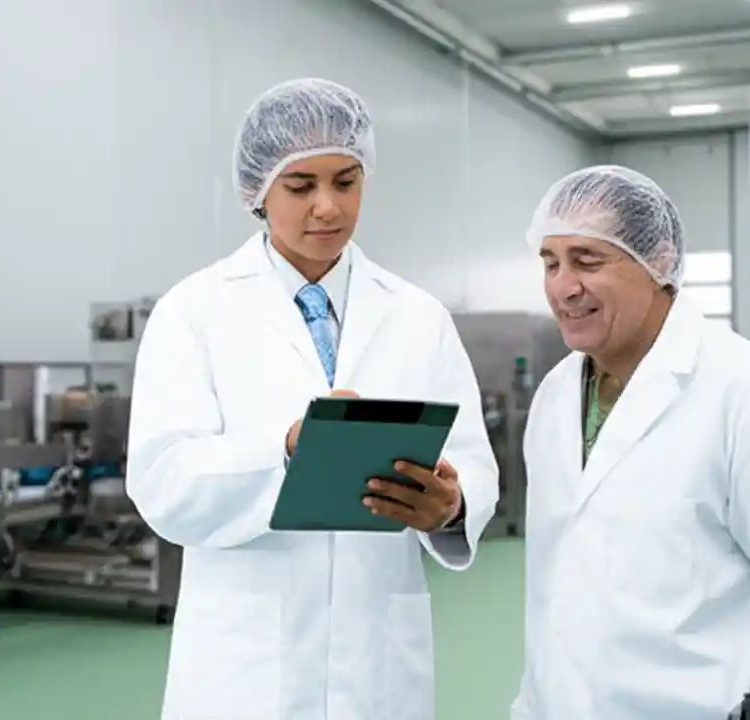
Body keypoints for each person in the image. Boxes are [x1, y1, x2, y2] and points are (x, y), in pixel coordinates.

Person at [125, 78, 498, 720]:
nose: (327, 208)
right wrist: (285, 448)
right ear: (258, 192)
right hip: (244, 671)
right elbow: (162, 479)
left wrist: (453, 506)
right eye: (301, 187)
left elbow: (473, 459)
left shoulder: (417, 315)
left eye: (346, 182)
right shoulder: (194, 312)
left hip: (379, 663)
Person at [510, 166, 750, 719]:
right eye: (550, 263)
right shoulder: (557, 394)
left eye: (587, 260)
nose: (563, 286)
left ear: (660, 262)